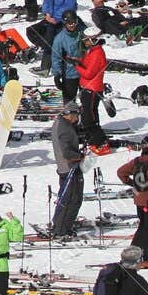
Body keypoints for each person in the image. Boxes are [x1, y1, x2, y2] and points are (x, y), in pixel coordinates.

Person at [116, 136, 148, 264]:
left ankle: (134, 256)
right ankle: (143, 257)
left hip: (139, 201)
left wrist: (132, 183)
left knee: (143, 227)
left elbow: (121, 172)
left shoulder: (136, 161)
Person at [50, 100, 86, 238]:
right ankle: (61, 230)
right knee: (73, 199)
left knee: (66, 198)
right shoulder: (64, 128)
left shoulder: (60, 122)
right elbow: (66, 152)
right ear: (70, 114)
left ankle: (61, 226)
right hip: (70, 168)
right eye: (76, 115)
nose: (77, 119)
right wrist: (80, 156)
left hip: (65, 167)